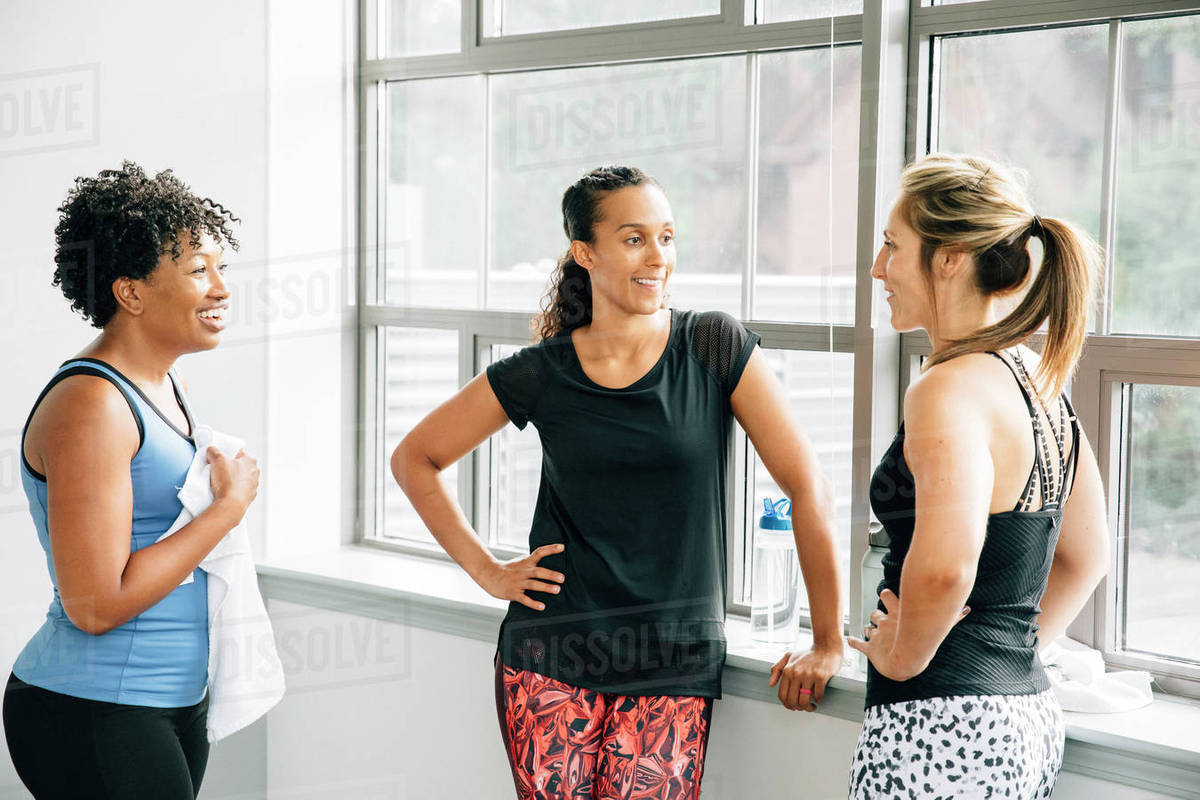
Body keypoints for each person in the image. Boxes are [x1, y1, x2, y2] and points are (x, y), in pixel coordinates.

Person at [391, 165, 844, 799]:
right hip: (550, 655)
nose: (658, 256)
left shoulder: (713, 345)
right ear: (585, 253)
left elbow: (809, 488)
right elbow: (415, 458)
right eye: (635, 239)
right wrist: (488, 571)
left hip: (671, 665)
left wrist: (827, 640)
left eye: (667, 237)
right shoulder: (541, 371)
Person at [846, 153, 1110, 798]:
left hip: (941, 726)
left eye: (891, 246)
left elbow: (944, 569)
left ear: (950, 257)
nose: (878, 268)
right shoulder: (1038, 382)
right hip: (1022, 719)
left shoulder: (947, 389)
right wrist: (1005, 656)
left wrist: (902, 658)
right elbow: (1087, 556)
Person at [3, 162, 260, 799]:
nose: (222, 287)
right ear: (132, 292)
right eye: (199, 270)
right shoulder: (91, 402)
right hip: (95, 705)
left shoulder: (160, 386)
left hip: (168, 702)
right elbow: (95, 606)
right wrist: (226, 511)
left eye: (220, 267)